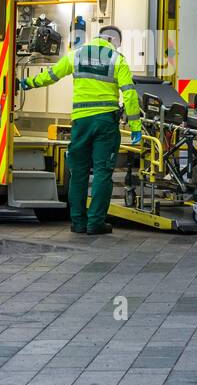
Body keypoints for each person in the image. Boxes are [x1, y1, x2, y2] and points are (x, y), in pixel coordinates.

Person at [18, 25, 142, 234]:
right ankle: (95, 223)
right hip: (105, 123)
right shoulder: (117, 59)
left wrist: (28, 83)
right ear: (113, 40)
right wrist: (136, 126)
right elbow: (129, 94)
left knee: (79, 172)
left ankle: (77, 222)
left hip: (81, 122)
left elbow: (52, 75)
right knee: (103, 172)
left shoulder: (76, 55)